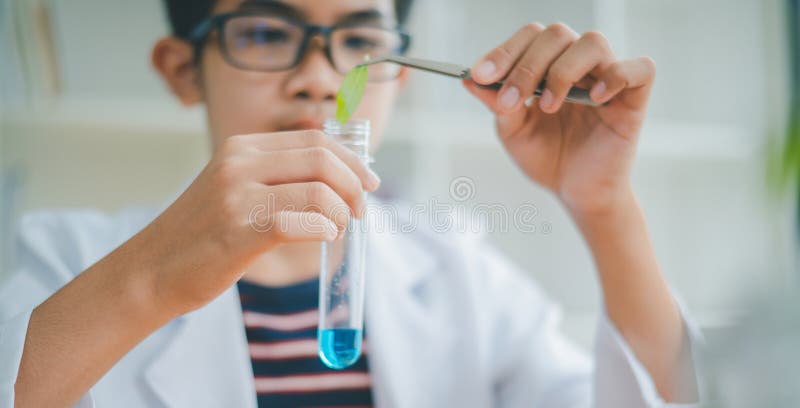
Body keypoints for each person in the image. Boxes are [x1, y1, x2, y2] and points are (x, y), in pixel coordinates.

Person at [0, 0, 702, 406]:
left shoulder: (457, 269)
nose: (319, 77)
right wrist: (150, 282)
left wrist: (604, 205)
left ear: (400, 75)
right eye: (267, 32)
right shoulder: (72, 258)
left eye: (359, 41)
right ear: (184, 70)